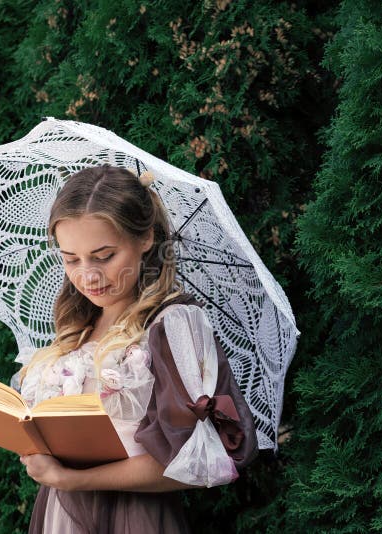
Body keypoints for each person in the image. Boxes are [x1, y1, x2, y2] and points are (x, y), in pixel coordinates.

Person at [14, 165, 257, 533]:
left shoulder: (172, 325)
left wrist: (73, 480)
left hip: (131, 518)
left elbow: (197, 461)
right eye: (71, 259)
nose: (88, 276)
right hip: (59, 515)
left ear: (145, 238)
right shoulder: (77, 327)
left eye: (104, 256)